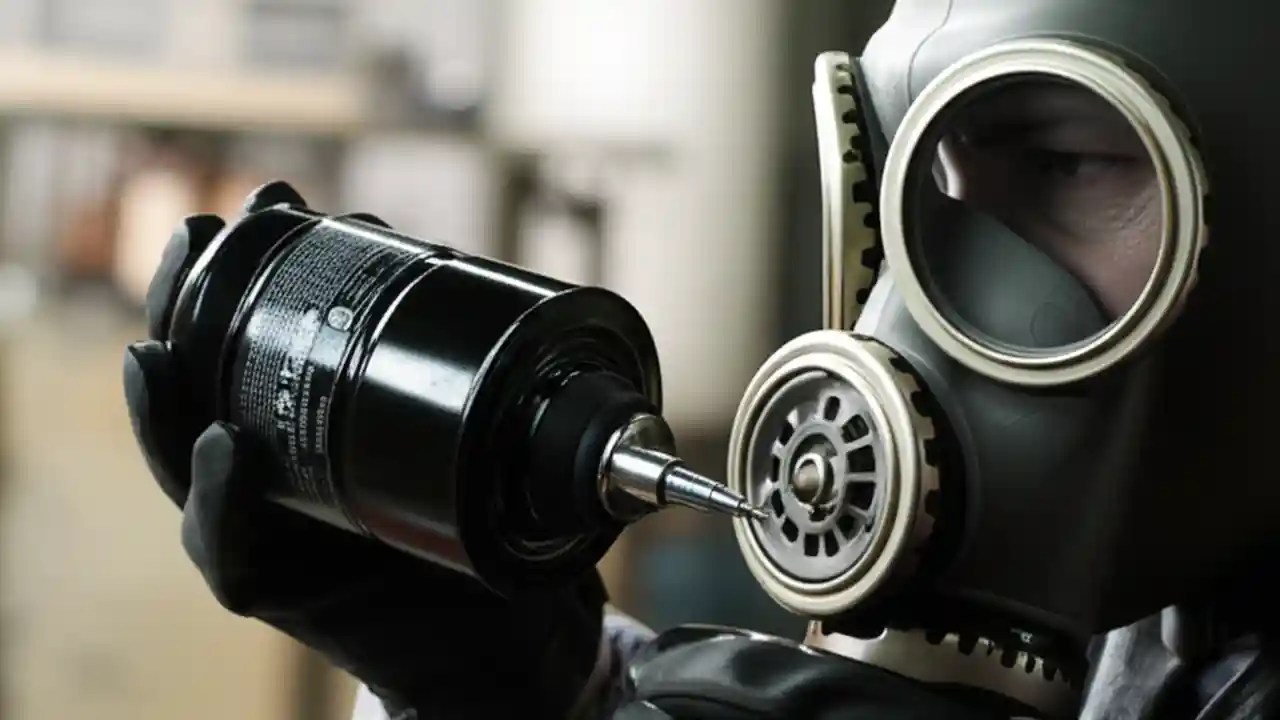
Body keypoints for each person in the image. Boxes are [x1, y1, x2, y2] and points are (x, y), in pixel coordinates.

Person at [123, 0, 1280, 717]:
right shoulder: (1161, 623)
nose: (904, 323)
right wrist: (536, 689)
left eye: (1063, 165)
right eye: (925, 176)